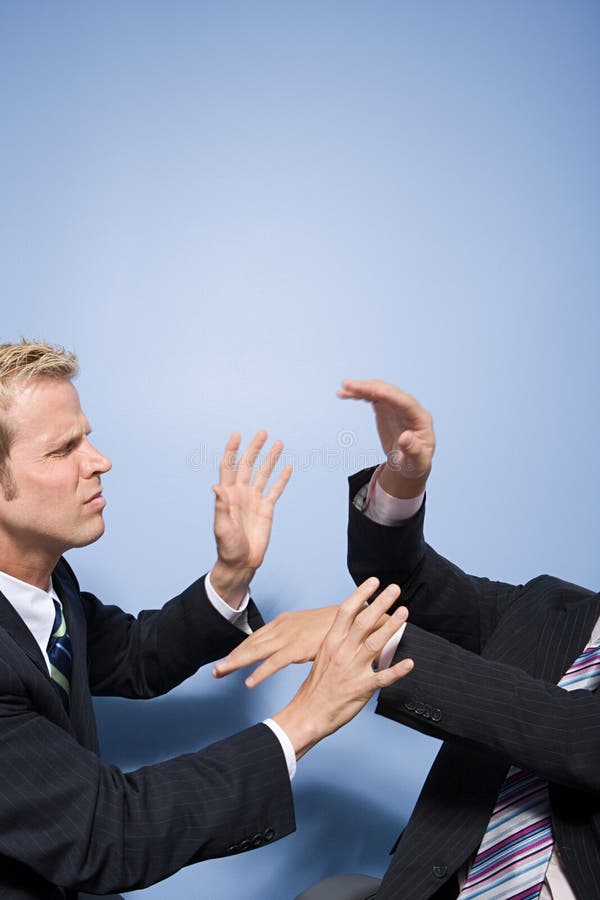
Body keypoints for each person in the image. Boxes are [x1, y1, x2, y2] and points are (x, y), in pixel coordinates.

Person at [0, 344, 414, 900]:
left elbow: (132, 655)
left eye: (87, 436)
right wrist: (305, 718)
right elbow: (108, 832)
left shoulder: (50, 584)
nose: (99, 460)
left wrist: (231, 575)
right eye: (62, 449)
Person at [217, 379, 600, 900]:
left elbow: (568, 729)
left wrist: (366, 634)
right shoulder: (554, 607)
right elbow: (407, 586)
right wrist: (402, 482)